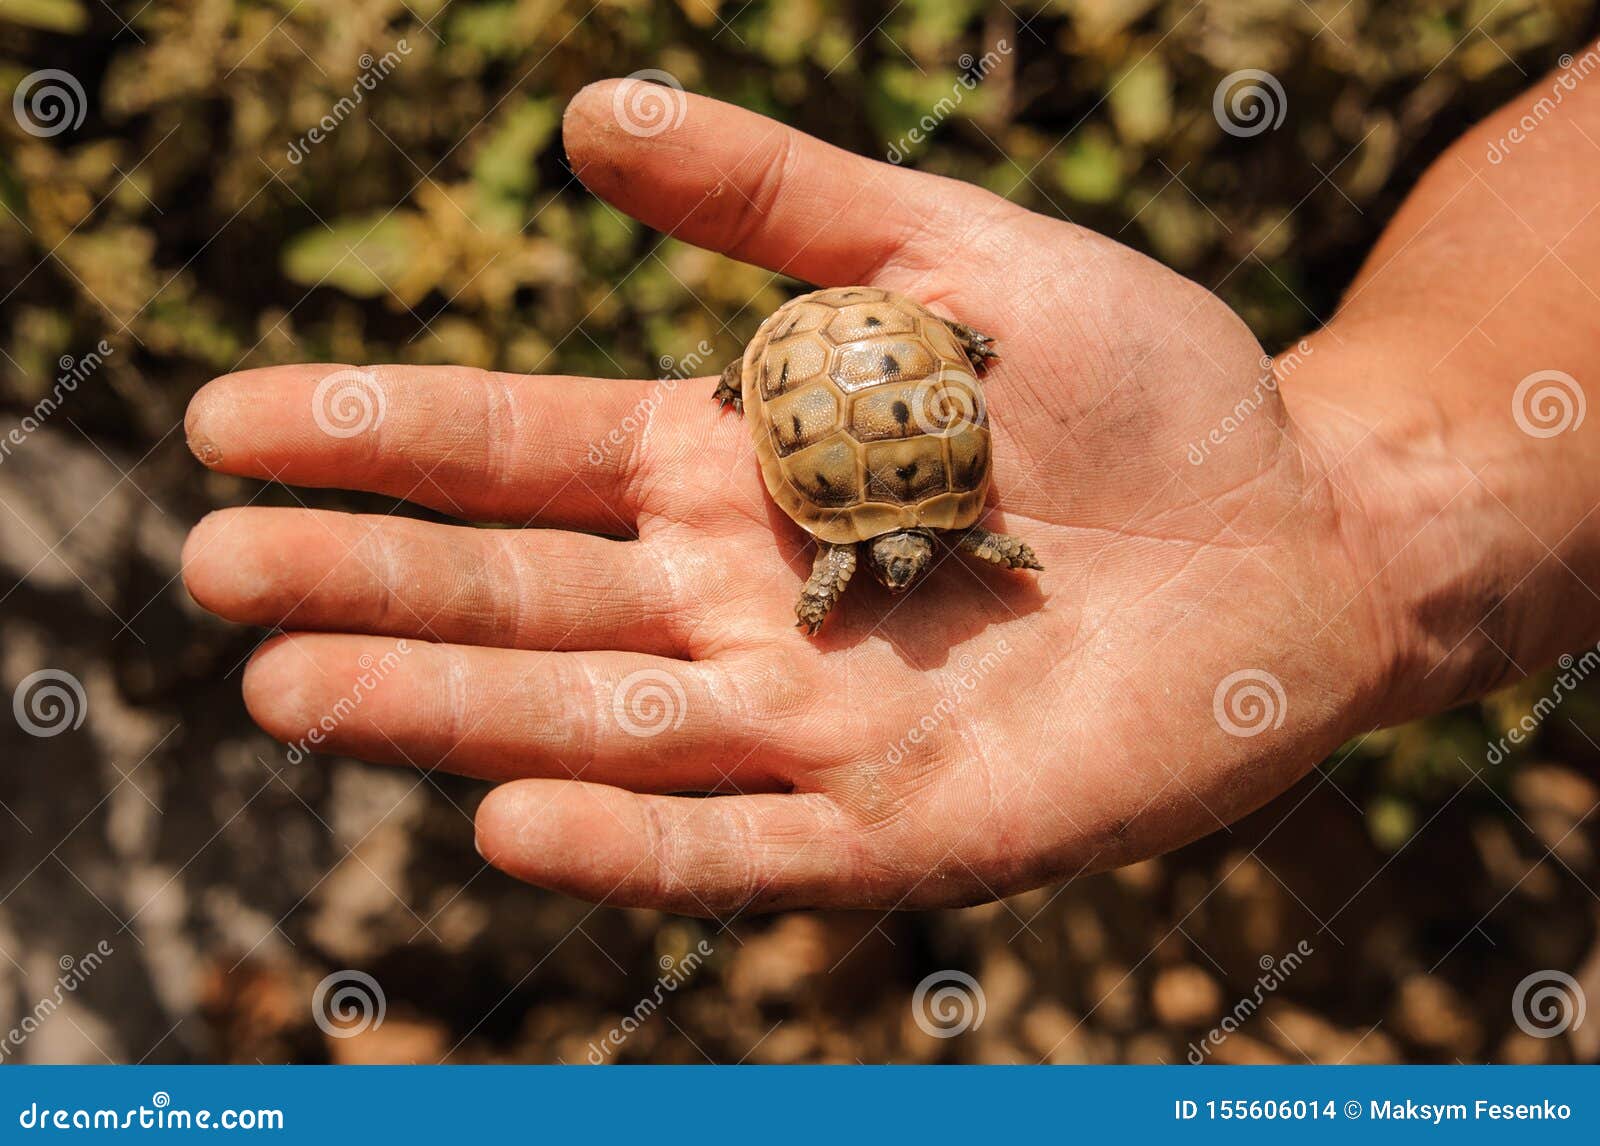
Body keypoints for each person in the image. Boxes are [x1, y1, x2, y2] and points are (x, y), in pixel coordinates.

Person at [180, 64, 1600, 915]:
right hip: (812, 371)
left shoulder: (946, 530)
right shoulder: (905, 535)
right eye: (879, 570)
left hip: (853, 397)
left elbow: (963, 550)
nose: (898, 581)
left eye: (896, 568)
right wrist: (1344, 514)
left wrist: (1338, 533)